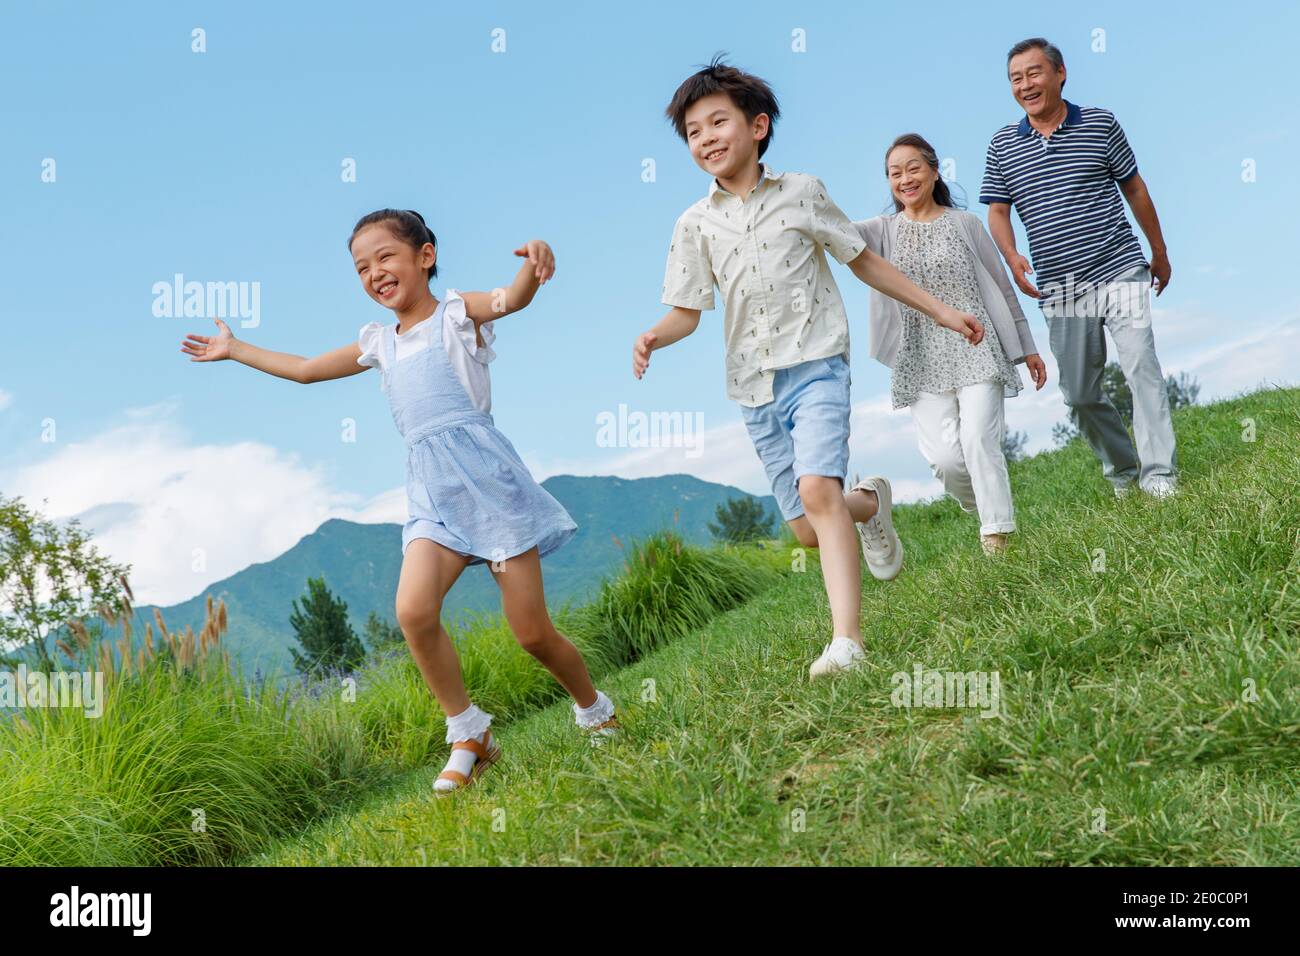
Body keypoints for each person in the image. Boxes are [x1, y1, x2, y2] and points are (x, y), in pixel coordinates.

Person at [181, 208, 618, 795]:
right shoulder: (378, 344)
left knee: (532, 633)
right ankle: (469, 732)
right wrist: (236, 349)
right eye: (362, 267)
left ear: (425, 256)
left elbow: (509, 300)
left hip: (491, 490)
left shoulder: (457, 316)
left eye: (386, 256)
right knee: (413, 611)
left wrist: (532, 269)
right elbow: (308, 370)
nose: (374, 272)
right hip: (432, 498)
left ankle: (595, 709)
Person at [634, 56, 984, 679]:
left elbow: (863, 261)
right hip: (752, 386)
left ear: (759, 125)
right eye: (693, 131)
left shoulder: (803, 192)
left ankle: (846, 642)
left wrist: (942, 310)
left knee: (817, 491)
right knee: (805, 527)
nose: (707, 138)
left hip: (817, 364)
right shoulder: (695, 223)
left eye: (719, 122)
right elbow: (686, 311)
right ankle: (870, 507)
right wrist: (653, 338)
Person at [981, 37, 1178, 499]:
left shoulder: (1101, 122)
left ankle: (1160, 475)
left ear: (1060, 73)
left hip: (1119, 265)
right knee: (1080, 394)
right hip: (1061, 285)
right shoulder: (1003, 145)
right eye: (1016, 78)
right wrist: (1012, 257)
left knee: (1141, 366)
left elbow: (1135, 189)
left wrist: (1159, 251)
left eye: (1034, 73)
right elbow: (997, 211)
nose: (1025, 85)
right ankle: (1123, 470)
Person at [854, 133, 1047, 555]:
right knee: (944, 460)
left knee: (979, 438)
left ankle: (997, 536)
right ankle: (984, 501)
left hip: (978, 345)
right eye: (894, 172)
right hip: (921, 357)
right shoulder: (880, 232)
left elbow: (1001, 287)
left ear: (934, 171)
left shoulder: (966, 224)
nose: (905, 178)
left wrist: (1027, 348)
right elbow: (831, 231)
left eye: (913, 168)